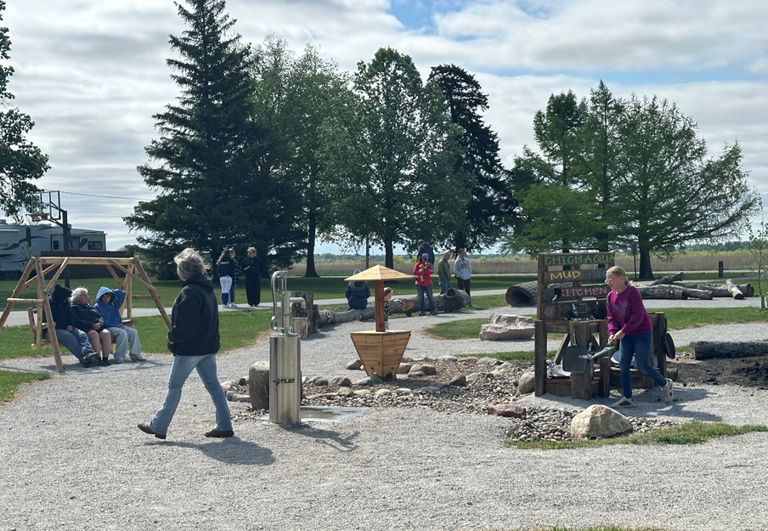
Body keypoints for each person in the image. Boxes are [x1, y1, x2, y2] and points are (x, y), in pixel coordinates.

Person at [138, 248, 233, 440]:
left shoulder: (189, 291)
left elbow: (185, 325)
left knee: (174, 386)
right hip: (208, 346)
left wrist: (172, 337)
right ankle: (224, 424)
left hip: (190, 349)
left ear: (184, 271)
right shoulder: (207, 289)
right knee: (213, 385)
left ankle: (159, 425)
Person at [605, 266, 673, 408]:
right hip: (626, 335)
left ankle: (665, 383)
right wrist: (612, 332)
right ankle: (628, 397)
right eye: (607, 280)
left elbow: (638, 315)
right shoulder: (610, 297)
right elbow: (611, 318)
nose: (609, 283)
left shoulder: (632, 292)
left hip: (641, 332)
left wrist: (623, 331)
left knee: (642, 365)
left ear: (621, 278)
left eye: (611, 279)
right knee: (623, 364)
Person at [45, 284, 99, 367]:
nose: (68, 299)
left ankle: (88, 353)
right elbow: (48, 321)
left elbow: (71, 316)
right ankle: (83, 358)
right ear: (61, 296)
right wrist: (65, 326)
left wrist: (71, 325)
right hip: (53, 329)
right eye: (67, 297)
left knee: (82, 334)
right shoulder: (48, 304)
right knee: (68, 337)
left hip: (68, 327)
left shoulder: (65, 302)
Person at [94, 286, 146, 363]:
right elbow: (101, 321)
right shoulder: (97, 307)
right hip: (107, 328)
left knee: (133, 332)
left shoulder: (114, 304)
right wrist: (114, 325)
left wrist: (110, 291)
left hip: (119, 326)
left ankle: (135, 355)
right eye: (103, 297)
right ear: (100, 297)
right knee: (122, 333)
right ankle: (119, 357)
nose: (106, 299)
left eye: (107, 297)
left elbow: (122, 293)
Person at [71, 287, 112, 366]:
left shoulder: (90, 306)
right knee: (94, 334)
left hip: (97, 326)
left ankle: (105, 359)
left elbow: (100, 316)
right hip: (85, 328)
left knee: (106, 333)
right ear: (78, 297)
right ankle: (97, 359)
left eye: (87, 295)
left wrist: (100, 323)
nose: (87, 297)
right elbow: (77, 320)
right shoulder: (74, 307)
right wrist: (91, 325)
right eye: (84, 296)